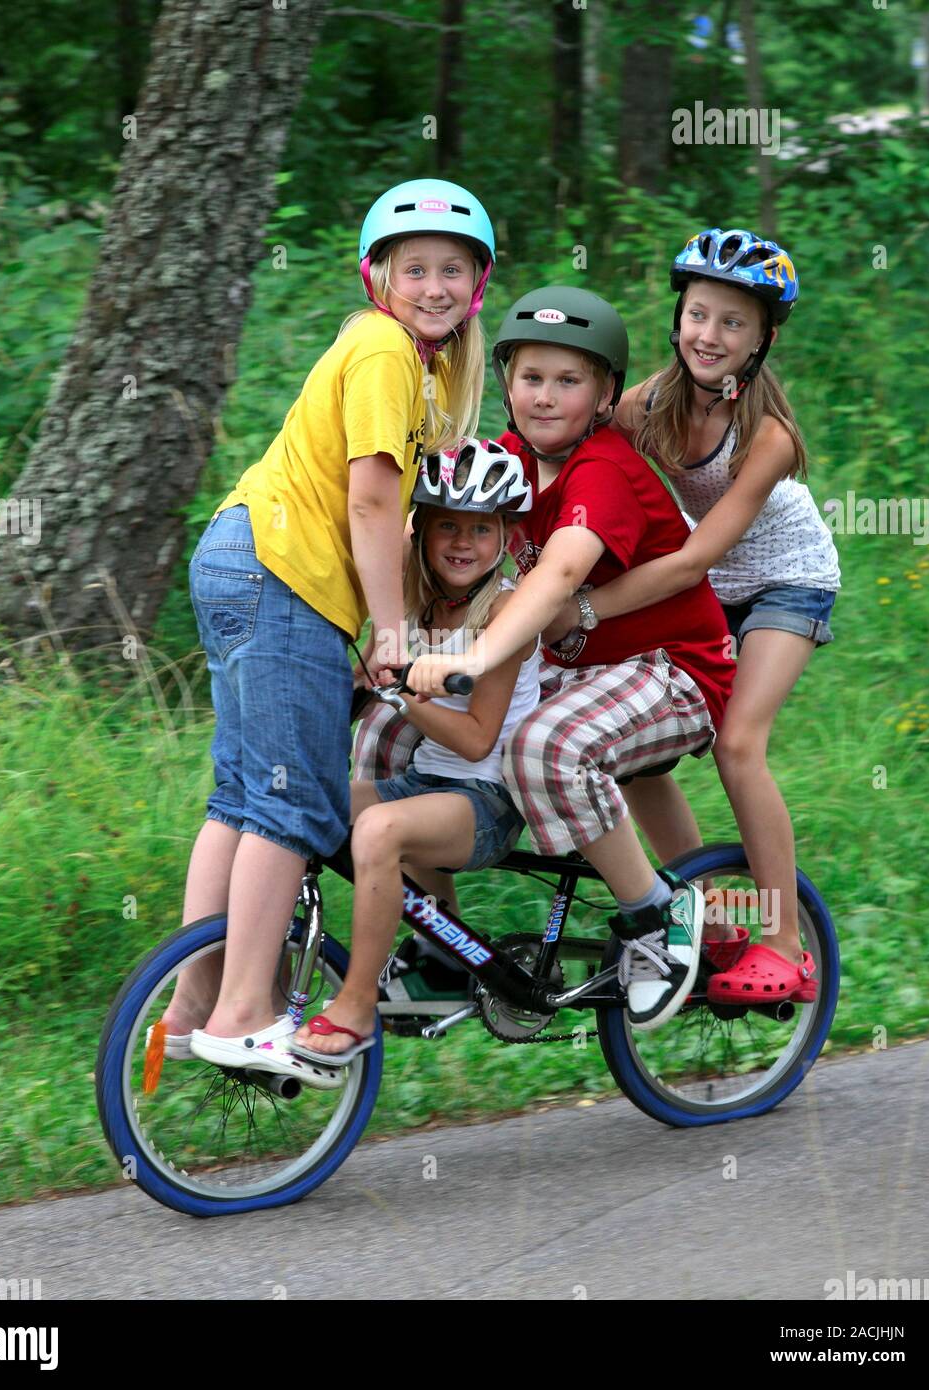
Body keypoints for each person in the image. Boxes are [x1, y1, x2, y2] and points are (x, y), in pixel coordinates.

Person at [147, 179, 496, 1082]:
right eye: (412, 268)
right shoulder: (384, 349)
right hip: (279, 574)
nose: (432, 286)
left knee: (241, 799)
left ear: (478, 284)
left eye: (450, 270)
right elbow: (373, 497)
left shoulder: (406, 363)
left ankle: (191, 1004)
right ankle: (244, 1011)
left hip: (244, 560)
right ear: (377, 276)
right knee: (293, 804)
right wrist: (390, 635)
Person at [404, 286, 737, 1030]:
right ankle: (440, 950)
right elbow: (430, 538)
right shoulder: (509, 460)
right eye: (530, 379)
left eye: (568, 381)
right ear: (507, 383)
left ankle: (654, 918)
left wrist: (475, 656)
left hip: (671, 667)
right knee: (394, 734)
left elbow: (556, 574)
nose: (545, 398)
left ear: (605, 393)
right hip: (576, 669)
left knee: (545, 746)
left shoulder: (602, 471)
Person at [549, 229, 835, 1003]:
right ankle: (710, 919)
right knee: (638, 756)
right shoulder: (643, 404)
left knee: (739, 744)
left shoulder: (767, 436)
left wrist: (578, 607)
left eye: (732, 324)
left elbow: (690, 561)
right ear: (678, 319)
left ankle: (782, 943)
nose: (709, 336)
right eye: (699, 315)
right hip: (705, 587)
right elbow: (572, 449)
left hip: (780, 580)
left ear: (762, 341)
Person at [288, 442, 540, 1061]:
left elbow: (479, 737)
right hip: (428, 783)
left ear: (505, 536)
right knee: (300, 807)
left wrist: (404, 692)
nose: (463, 541)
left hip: (488, 799)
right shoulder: (414, 598)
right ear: (421, 530)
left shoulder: (505, 612)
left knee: (375, 832)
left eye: (481, 528)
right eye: (447, 525)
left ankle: (356, 1009)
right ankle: (273, 973)